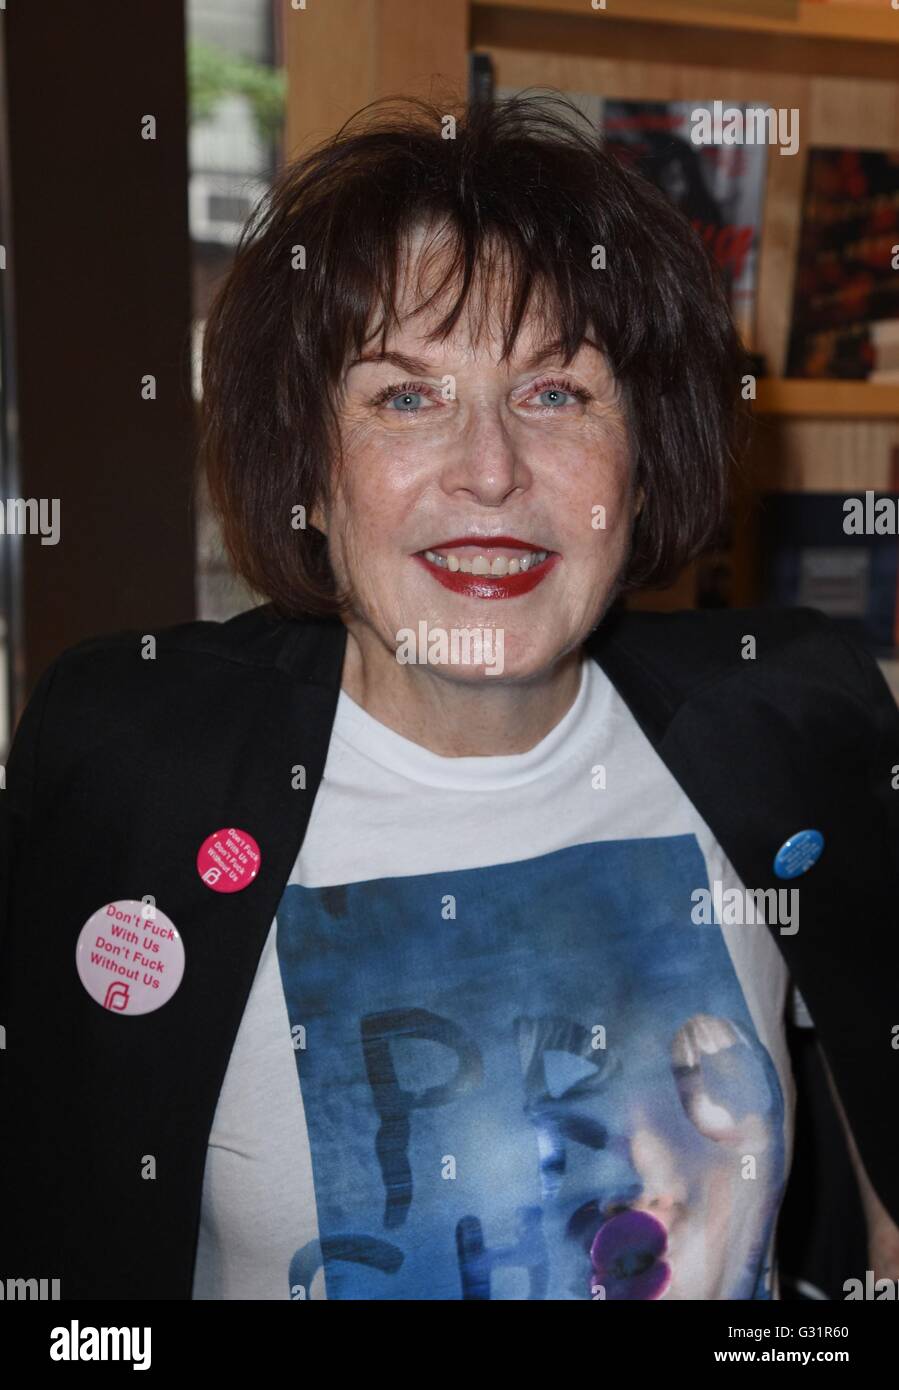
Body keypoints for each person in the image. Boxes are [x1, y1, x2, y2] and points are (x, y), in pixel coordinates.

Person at [1, 93, 897, 1302]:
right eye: (405, 397)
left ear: (643, 460)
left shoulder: (795, 725)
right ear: (309, 461)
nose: (489, 471)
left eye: (555, 394)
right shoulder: (127, 768)